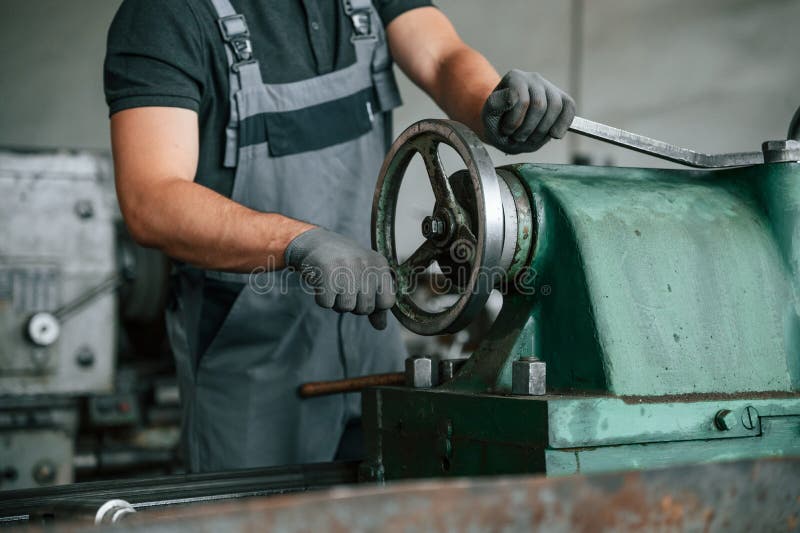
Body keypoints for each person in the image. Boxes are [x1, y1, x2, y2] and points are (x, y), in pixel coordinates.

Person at [104, 0, 575, 472]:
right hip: (253, 364)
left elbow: (441, 57)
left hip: (375, 340)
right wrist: (298, 242)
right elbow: (152, 198)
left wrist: (492, 104)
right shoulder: (167, 15)